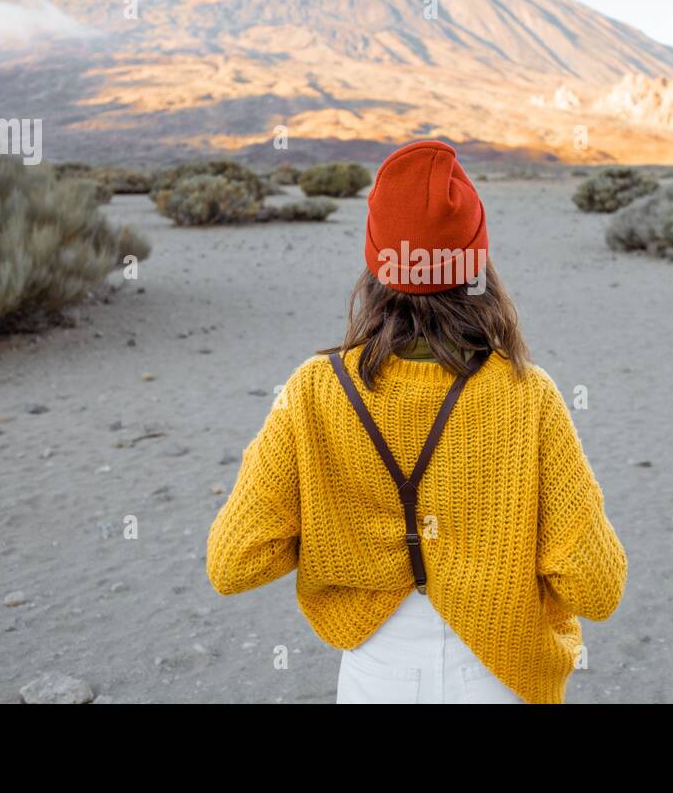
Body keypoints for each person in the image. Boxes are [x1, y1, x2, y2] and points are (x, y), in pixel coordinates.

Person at [206, 139, 627, 703]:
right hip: (502, 680)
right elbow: (596, 587)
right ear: (477, 267)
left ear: (377, 266)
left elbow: (235, 561)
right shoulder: (528, 394)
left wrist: (343, 532)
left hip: (375, 676)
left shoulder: (312, 389)